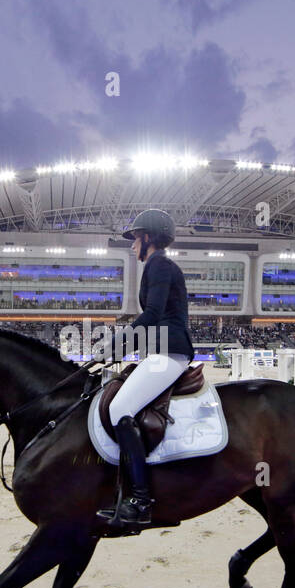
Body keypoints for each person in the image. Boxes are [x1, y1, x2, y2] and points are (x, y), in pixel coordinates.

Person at [96, 208, 195, 535]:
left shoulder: (161, 264)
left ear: (148, 238)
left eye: (135, 238)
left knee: (120, 408)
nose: (132, 245)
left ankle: (140, 499)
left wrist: (117, 344)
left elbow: (153, 313)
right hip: (159, 349)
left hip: (170, 350)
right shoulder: (154, 265)